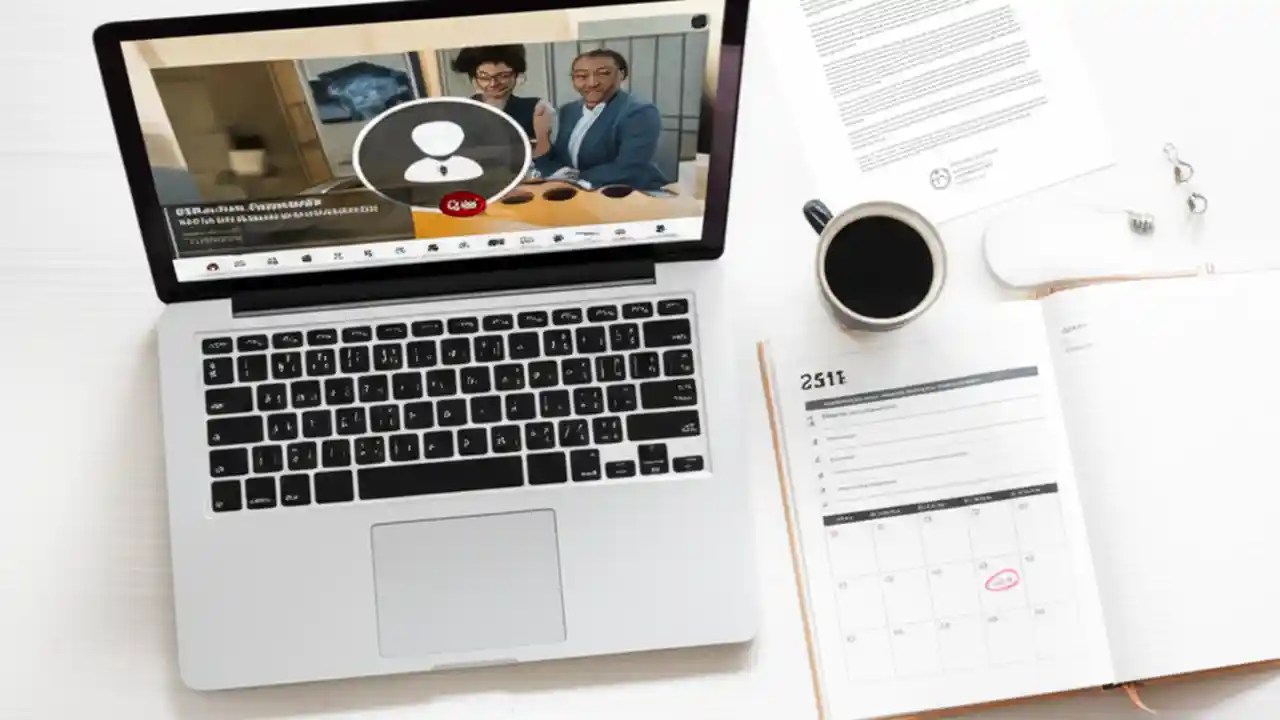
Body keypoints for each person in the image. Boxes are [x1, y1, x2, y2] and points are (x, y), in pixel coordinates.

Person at [534, 49, 669, 191]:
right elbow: (559, 160)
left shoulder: (639, 111)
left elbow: (630, 167)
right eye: (581, 76)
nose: (592, 83)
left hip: (632, 194)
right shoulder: (569, 110)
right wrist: (542, 134)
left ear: (621, 74)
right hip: (580, 194)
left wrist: (573, 180)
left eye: (603, 74)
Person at [450, 45, 554, 160]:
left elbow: (544, 155)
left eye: (503, 76)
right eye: (484, 77)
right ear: (474, 79)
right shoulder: (460, 111)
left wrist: (542, 134)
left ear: (516, 75)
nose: (493, 83)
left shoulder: (534, 108)